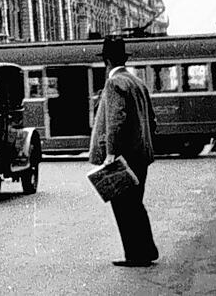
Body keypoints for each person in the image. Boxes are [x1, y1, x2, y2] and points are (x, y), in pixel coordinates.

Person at [89, 35, 158, 268]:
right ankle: (147, 251)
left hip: (124, 157)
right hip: (141, 155)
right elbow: (152, 120)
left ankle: (135, 255)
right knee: (136, 204)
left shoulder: (114, 83)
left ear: (106, 61)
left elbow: (115, 121)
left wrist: (111, 153)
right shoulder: (137, 82)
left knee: (124, 206)